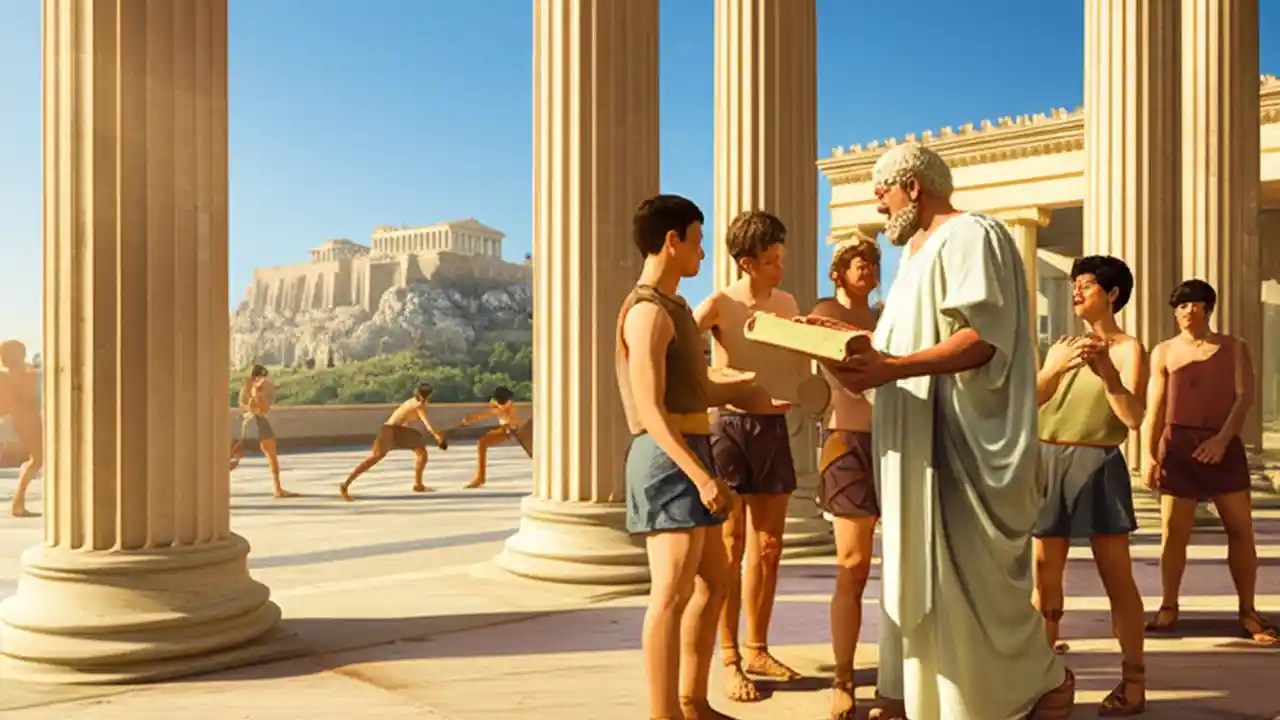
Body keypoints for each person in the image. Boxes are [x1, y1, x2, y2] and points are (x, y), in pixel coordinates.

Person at [799, 142, 1073, 719]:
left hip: (959, 448)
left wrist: (893, 367)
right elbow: (897, 353)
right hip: (912, 445)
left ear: (914, 186)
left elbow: (984, 338)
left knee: (967, 578)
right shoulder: (913, 258)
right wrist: (832, 340)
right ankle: (916, 696)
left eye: (882, 189)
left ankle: (1040, 683)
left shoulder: (974, 233)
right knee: (914, 570)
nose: (877, 203)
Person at [618, 193, 783, 720]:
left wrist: (737, 390)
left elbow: (689, 392)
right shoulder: (646, 312)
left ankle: (692, 702)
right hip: (670, 462)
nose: (703, 253)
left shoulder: (675, 309)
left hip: (693, 450)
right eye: (697, 240)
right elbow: (649, 410)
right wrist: (700, 476)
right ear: (673, 241)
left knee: (715, 581)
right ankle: (662, 714)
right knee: (669, 592)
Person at [693, 209, 807, 701]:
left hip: (773, 425)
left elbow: (798, 358)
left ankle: (758, 647)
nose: (780, 267)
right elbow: (678, 351)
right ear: (747, 262)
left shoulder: (786, 302)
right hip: (730, 428)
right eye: (772, 260)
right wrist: (717, 381)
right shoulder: (719, 303)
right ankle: (730, 659)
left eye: (781, 258)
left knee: (769, 547)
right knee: (730, 546)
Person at [1032, 256, 1147, 716]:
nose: (1076, 291)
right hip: (1046, 461)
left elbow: (1133, 417)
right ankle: (1040, 678)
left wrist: (1108, 374)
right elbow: (1031, 401)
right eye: (1074, 284)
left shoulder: (1128, 348)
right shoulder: (1060, 345)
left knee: (1117, 578)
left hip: (1098, 462)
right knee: (1044, 579)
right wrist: (1054, 367)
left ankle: (1134, 682)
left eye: (1086, 284)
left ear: (1112, 293)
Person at [1142, 279, 1277, 645]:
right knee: (1174, 533)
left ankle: (1248, 610)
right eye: (1181, 306)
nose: (1187, 312)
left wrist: (1221, 440)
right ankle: (1168, 606)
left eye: (1194, 305)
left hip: (1222, 445)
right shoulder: (1163, 352)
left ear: (1208, 308)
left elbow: (1244, 397)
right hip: (1178, 447)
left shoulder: (1234, 348)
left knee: (1240, 528)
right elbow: (1153, 407)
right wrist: (1148, 454)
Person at [807, 237, 882, 720]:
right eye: (859, 263)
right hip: (847, 442)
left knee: (904, 564)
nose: (869, 270)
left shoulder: (886, 316)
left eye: (874, 264)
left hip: (895, 440)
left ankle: (898, 673)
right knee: (852, 563)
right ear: (838, 272)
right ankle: (843, 676)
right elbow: (847, 375)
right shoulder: (823, 312)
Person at [339, 382, 446, 501]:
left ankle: (418, 485)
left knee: (421, 451)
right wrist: (438, 437)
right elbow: (428, 425)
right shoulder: (419, 405)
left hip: (398, 430)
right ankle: (345, 485)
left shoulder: (415, 401)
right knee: (375, 457)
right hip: (389, 430)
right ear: (429, 394)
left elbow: (403, 417)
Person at [229, 365, 296, 498]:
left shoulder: (256, 388)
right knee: (236, 456)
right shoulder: (250, 387)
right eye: (263, 377)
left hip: (252, 423)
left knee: (270, 457)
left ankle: (278, 488)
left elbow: (258, 408)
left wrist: (257, 395)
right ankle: (277, 488)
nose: (265, 380)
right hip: (254, 423)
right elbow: (257, 408)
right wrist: (255, 395)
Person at [0, 340, 41, 518]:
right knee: (38, 460)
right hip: (28, 422)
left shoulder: (13, 376)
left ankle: (18, 502)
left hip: (26, 421)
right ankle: (18, 502)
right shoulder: (20, 376)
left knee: (37, 460)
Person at [458, 386, 522, 489]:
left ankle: (480, 477)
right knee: (482, 443)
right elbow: (489, 413)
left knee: (482, 443)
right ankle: (480, 476)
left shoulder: (506, 406)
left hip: (508, 430)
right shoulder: (504, 405)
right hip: (506, 429)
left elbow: (490, 414)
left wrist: (471, 419)